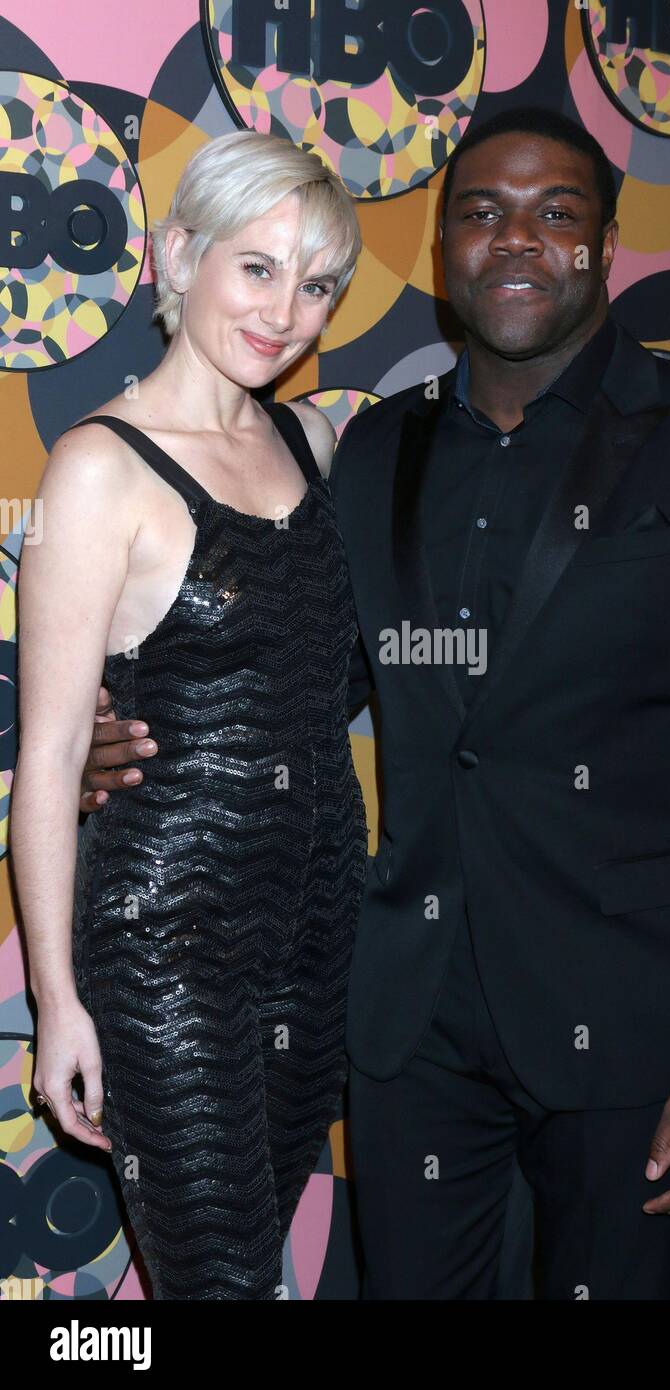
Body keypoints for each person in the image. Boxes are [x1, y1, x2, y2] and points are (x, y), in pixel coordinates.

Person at [77, 108, 670, 1300]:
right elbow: (298, 680)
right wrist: (122, 743)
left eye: (557, 214)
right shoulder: (373, 451)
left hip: (635, 1039)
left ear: (604, 243)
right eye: (482, 214)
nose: (517, 241)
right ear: (440, 253)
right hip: (409, 1032)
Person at [11, 129, 367, 1300]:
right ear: (180, 253)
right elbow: (53, 754)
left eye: (315, 284)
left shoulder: (313, 443)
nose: (286, 313)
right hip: (167, 946)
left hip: (315, 943)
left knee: (251, 1273)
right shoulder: (97, 470)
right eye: (256, 268)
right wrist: (59, 1003)